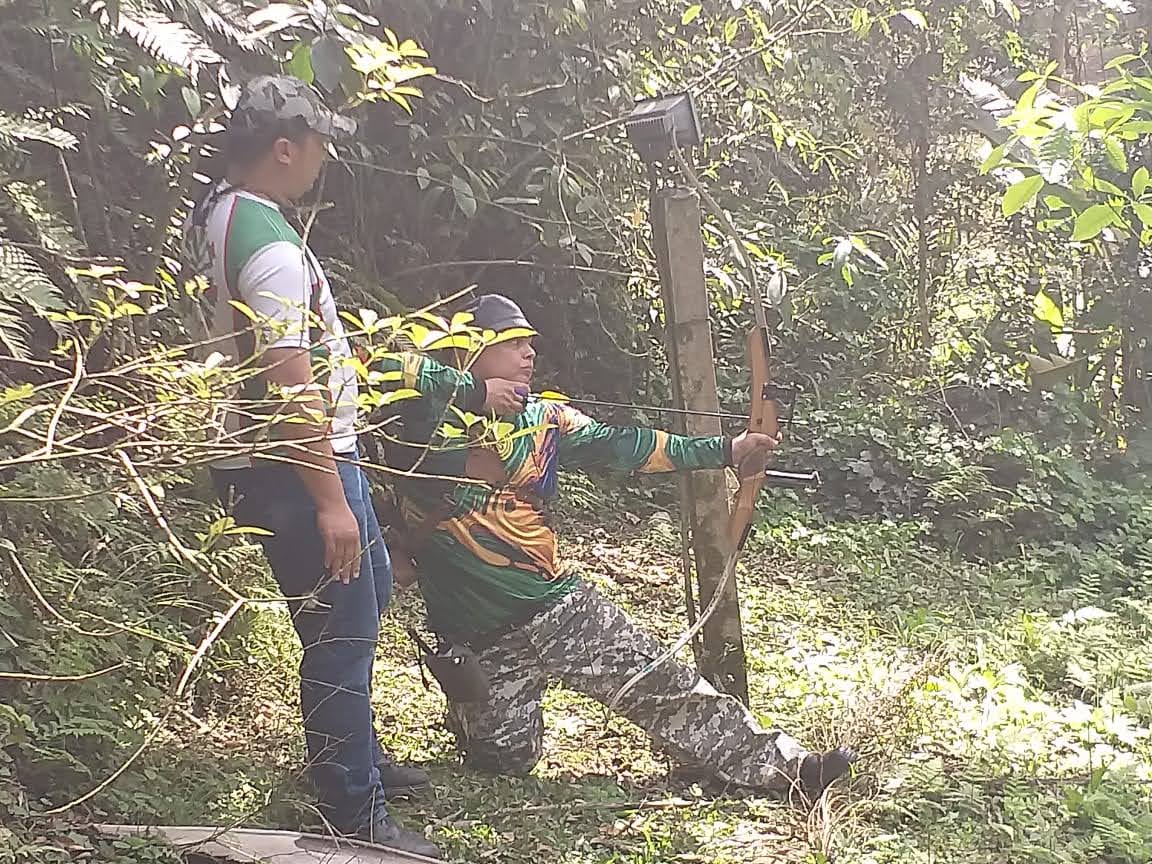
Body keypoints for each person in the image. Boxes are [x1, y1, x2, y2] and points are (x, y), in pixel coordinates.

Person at [379, 293, 856, 803]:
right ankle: (475, 723)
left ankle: (786, 766)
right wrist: (475, 392)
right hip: (477, 635)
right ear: (467, 352)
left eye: (529, 344)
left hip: (556, 607)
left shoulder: (546, 420)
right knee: (503, 759)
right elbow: (376, 364)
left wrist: (726, 450)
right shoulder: (425, 421)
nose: (528, 354)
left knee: (661, 683)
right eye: (512, 343)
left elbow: (628, 445)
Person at [179, 75, 440, 857]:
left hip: (262, 459)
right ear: (284, 149)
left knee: (365, 596)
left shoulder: (218, 213)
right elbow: (290, 381)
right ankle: (353, 812)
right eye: (319, 142)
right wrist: (330, 499)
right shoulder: (268, 245)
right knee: (342, 628)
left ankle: (351, 754)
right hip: (293, 464)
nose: (325, 157)